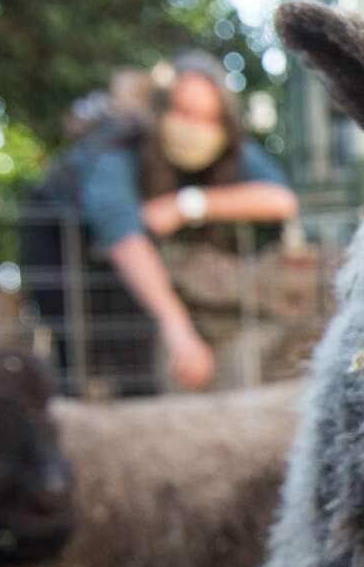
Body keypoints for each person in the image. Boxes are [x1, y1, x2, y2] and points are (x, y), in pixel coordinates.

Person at [21, 52, 298, 394]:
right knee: (81, 357)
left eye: (207, 117)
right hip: (67, 245)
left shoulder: (230, 148)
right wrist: (179, 331)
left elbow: (280, 200)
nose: (195, 127)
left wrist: (188, 204)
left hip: (138, 266)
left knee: (140, 361)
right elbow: (127, 242)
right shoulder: (116, 148)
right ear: (160, 109)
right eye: (183, 112)